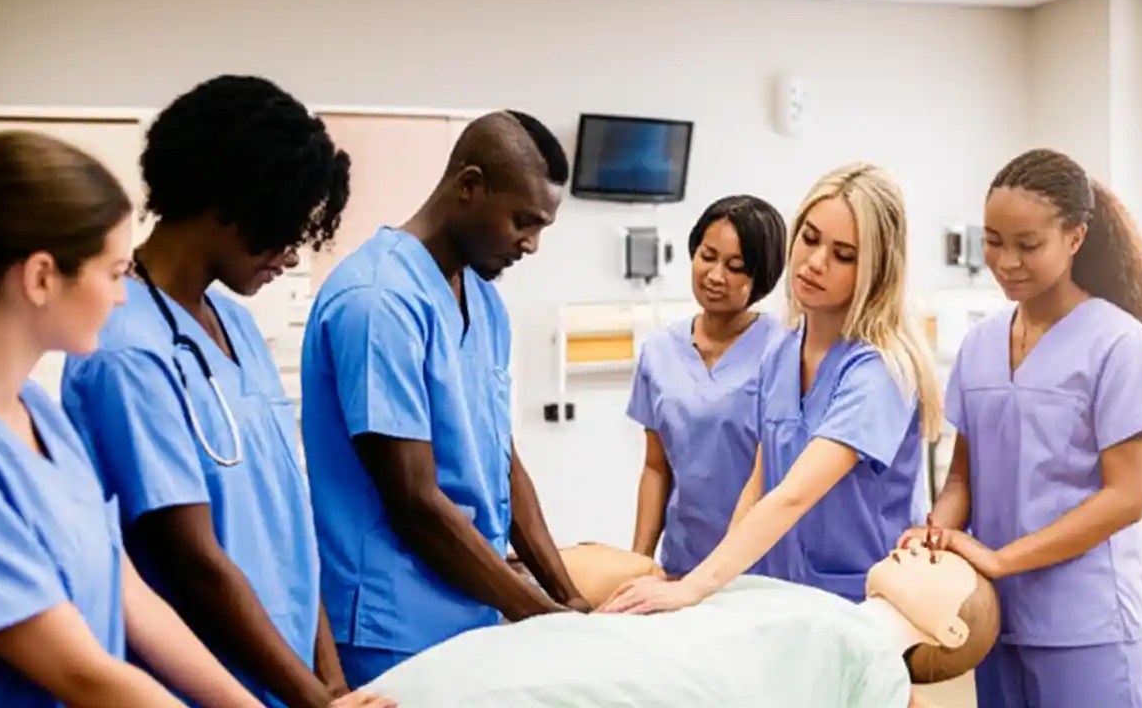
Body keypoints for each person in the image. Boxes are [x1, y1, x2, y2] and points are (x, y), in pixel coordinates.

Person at [61, 76, 388, 708]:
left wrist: (332, 683)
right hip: (197, 690)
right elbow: (194, 565)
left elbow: (288, 522)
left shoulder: (234, 322)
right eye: (288, 226)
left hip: (289, 683)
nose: (292, 256)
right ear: (232, 204)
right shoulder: (126, 349)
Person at [0, 130, 274, 707]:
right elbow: (83, 674)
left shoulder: (40, 415)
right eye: (114, 273)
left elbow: (130, 596)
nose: (121, 296)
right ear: (41, 278)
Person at [300, 109, 587, 687]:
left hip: (470, 605)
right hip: (391, 624)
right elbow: (415, 500)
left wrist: (569, 599)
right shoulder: (378, 301)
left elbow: (501, 462)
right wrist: (540, 616)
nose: (531, 244)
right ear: (470, 186)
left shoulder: (483, 301)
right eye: (523, 221)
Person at [600, 162, 942, 613]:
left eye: (844, 255)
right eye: (810, 237)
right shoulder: (782, 351)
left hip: (862, 601)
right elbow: (759, 484)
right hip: (783, 596)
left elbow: (794, 494)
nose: (815, 262)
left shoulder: (878, 370)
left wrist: (694, 586)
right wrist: (715, 585)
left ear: (875, 270)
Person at [899, 148, 1142, 708]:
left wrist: (1002, 558)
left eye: (1028, 246)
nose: (1006, 262)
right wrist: (936, 533)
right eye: (993, 241)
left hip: (1086, 619)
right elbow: (962, 481)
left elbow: (1126, 497)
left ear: (1075, 238)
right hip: (994, 615)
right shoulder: (979, 346)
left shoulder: (1118, 344)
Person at [362, 542, 999, 707]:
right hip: (619, 647)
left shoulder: (874, 665)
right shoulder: (806, 602)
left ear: (949, 633)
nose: (923, 546)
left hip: (665, 683)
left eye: (942, 562)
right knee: (518, 664)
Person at [626, 194, 786, 576]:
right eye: (707, 256)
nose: (715, 276)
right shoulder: (659, 352)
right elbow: (656, 468)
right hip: (684, 560)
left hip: (765, 567)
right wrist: (637, 563)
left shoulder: (784, 351)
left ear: (761, 276)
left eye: (736, 266)